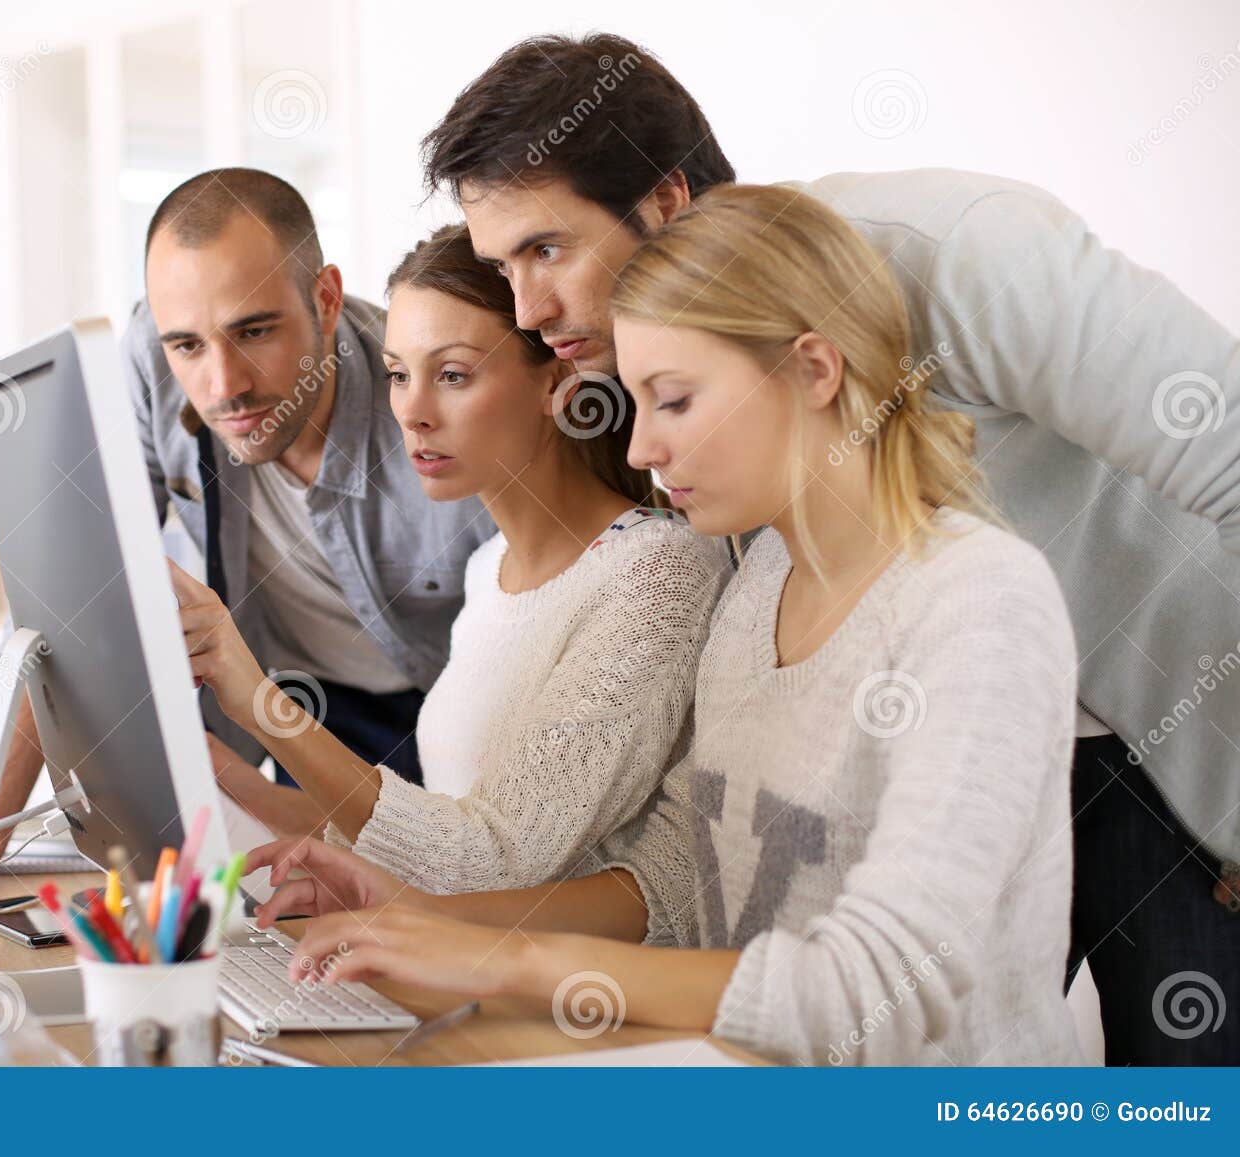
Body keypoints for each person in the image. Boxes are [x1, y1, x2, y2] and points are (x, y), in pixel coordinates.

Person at [419, 32, 1240, 1065]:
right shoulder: (655, 394)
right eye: (502, 267)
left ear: (665, 202)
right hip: (940, 758)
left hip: (1169, 754)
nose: (527, 310)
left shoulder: (955, 251)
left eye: (546, 250)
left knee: (1182, 1091)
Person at [245, 184, 1084, 1066]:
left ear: (814, 371)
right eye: (636, 403)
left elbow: (877, 988)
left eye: (674, 400)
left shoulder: (979, 602)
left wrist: (505, 957)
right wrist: (423, 915)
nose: (640, 448)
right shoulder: (759, 585)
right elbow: (677, 879)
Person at [0, 169, 494, 910]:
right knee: (306, 915)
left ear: (326, 298)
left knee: (444, 903)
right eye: (187, 344)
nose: (223, 384)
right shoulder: (151, 360)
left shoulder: (433, 402)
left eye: (254, 331)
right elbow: (65, 595)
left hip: (452, 711)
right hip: (299, 711)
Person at [178, 224, 727, 890]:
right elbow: (430, 836)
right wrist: (216, 767)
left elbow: (492, 859)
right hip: (475, 954)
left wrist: (257, 699)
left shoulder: (656, 576)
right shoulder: (488, 570)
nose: (412, 412)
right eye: (398, 374)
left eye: (453, 375)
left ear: (557, 381)